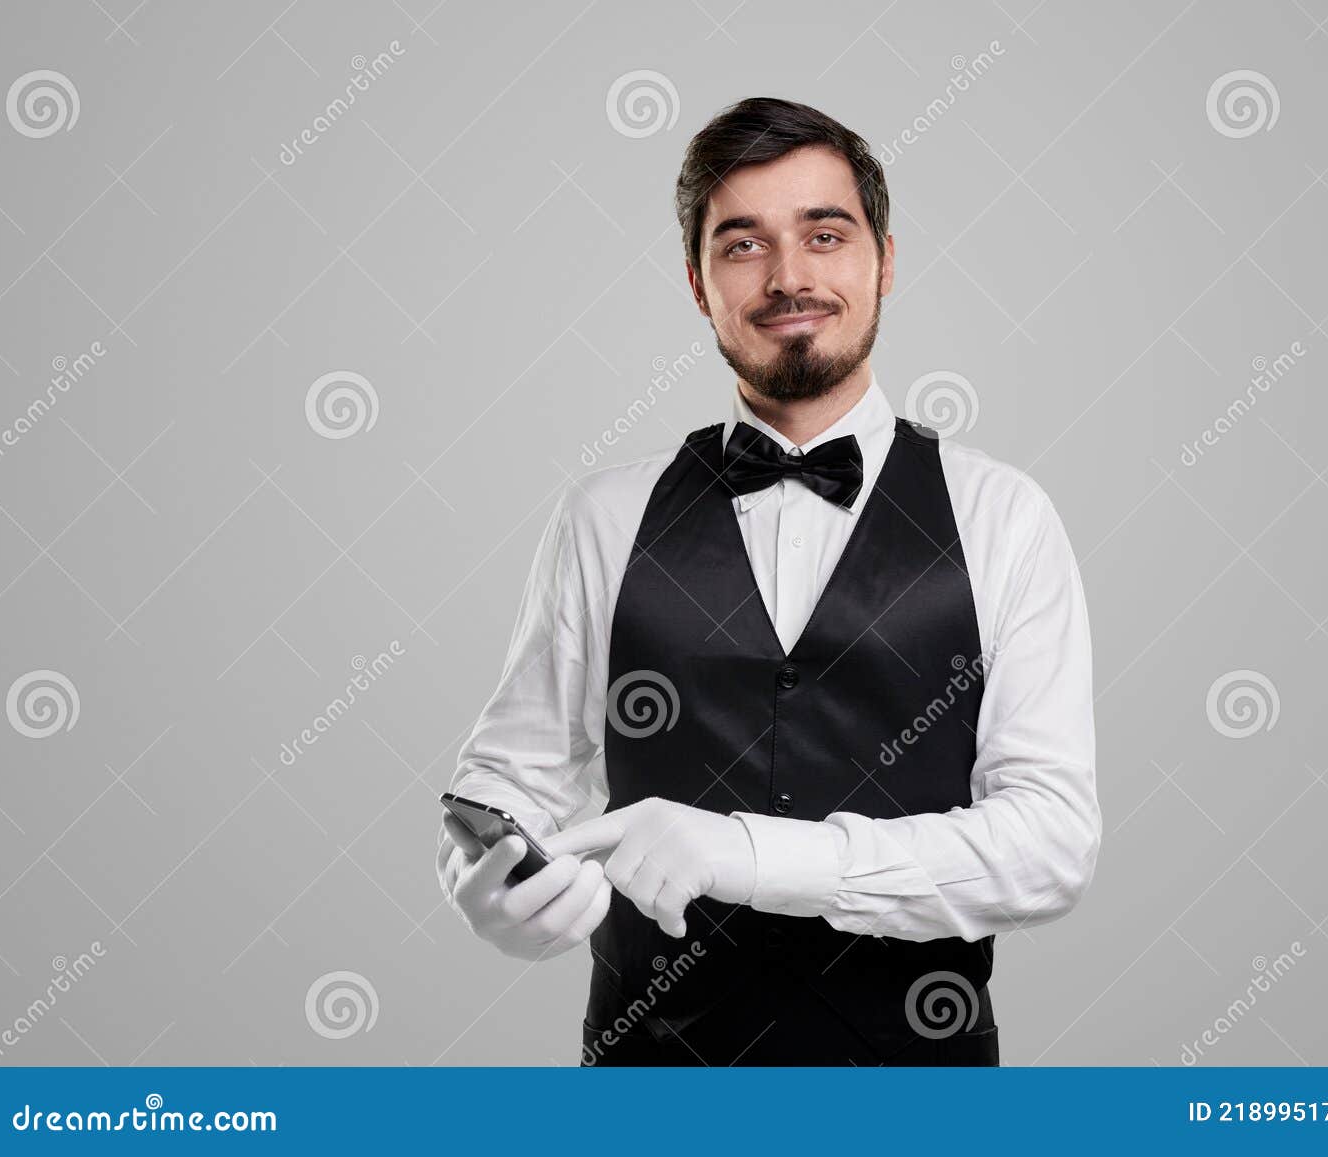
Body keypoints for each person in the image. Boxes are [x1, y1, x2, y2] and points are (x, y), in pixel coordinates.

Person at [435, 96, 1100, 1066]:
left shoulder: (1004, 514)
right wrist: (488, 885)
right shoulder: (603, 515)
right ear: (699, 285)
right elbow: (504, 778)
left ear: (884, 259)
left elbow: (1048, 844)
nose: (789, 276)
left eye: (823, 234)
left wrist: (755, 854)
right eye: (742, 244)